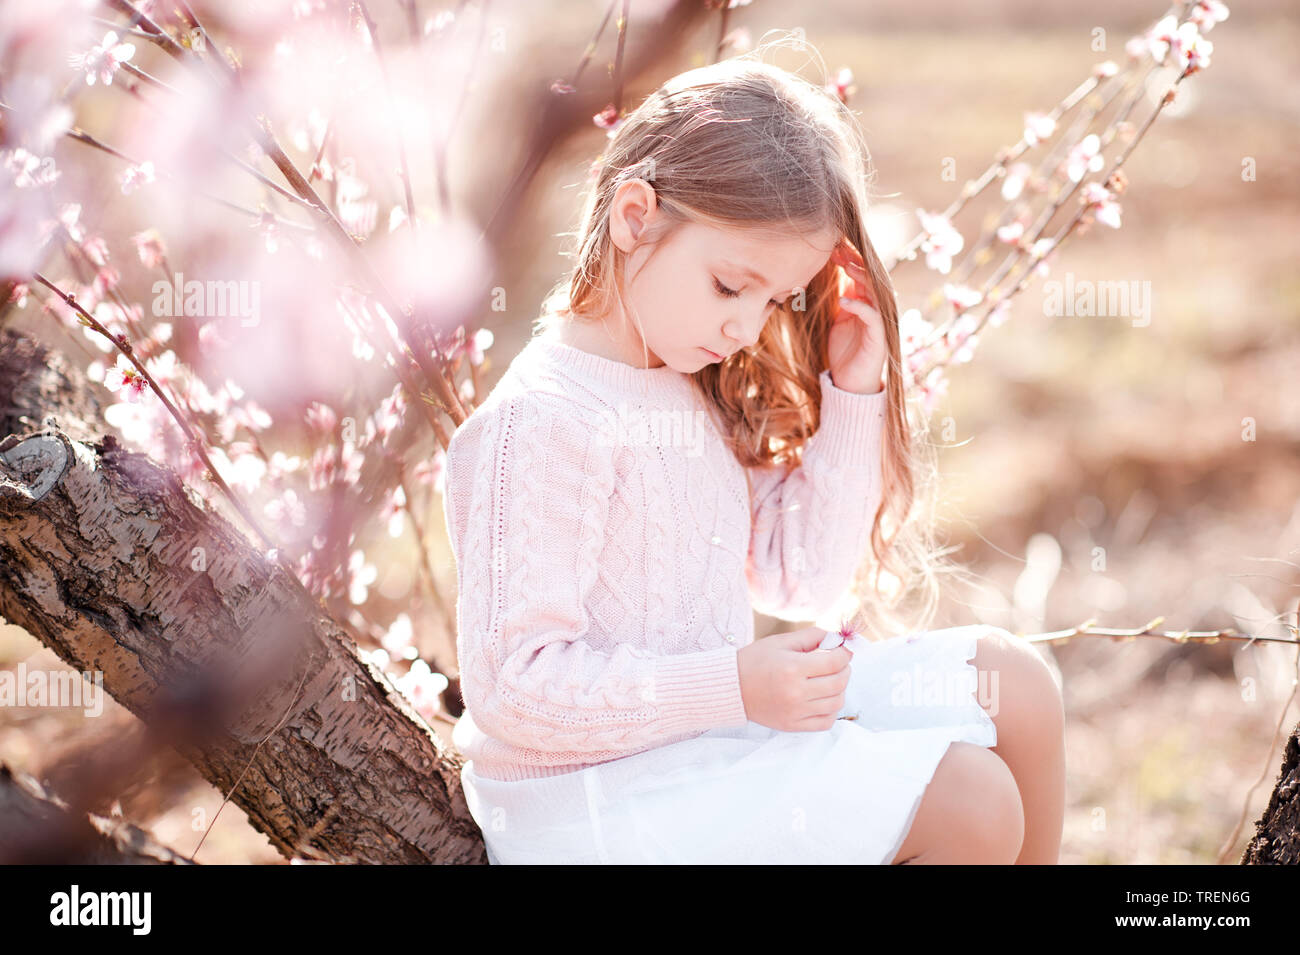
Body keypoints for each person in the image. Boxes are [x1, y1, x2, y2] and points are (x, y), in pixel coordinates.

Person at [442, 43, 1065, 864]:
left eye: (775, 299)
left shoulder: (688, 375)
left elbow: (803, 580)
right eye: (732, 286)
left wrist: (854, 392)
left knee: (1012, 682)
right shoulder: (544, 421)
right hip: (596, 803)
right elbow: (514, 689)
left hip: (712, 741)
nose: (747, 326)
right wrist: (732, 683)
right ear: (635, 217)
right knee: (971, 802)